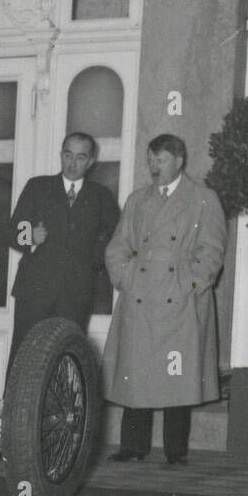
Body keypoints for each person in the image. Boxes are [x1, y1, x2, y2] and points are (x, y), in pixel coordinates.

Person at [103, 134, 226, 465]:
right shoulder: (137, 200)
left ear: (180, 162)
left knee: (177, 374)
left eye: (160, 161)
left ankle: (176, 451)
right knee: (136, 372)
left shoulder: (203, 199)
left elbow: (212, 249)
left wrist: (191, 283)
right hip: (141, 296)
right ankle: (133, 446)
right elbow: (117, 246)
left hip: (179, 299)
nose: (153, 167)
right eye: (150, 160)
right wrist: (125, 276)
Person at [6, 132, 120, 371]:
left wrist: (88, 261)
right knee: (25, 355)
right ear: (60, 155)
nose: (72, 163)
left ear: (90, 162)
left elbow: (113, 242)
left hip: (76, 294)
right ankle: (14, 408)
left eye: (80, 157)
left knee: (66, 360)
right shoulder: (38, 187)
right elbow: (14, 231)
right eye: (68, 155)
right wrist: (30, 238)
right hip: (34, 291)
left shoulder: (101, 197)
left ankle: (62, 410)